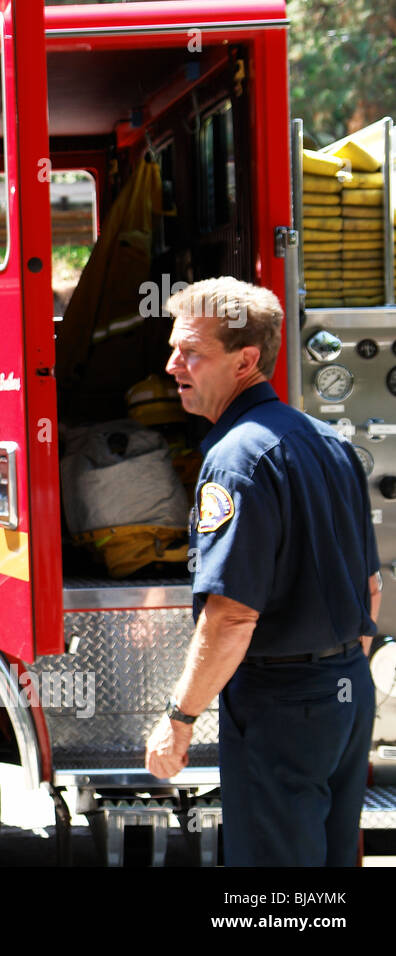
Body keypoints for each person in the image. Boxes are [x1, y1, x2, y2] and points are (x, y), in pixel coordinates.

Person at [144, 276, 380, 866]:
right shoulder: (329, 442)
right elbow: (371, 590)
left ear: (246, 360)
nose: (174, 365)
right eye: (175, 348)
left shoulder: (235, 461)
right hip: (347, 691)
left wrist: (180, 719)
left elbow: (231, 618)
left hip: (283, 703)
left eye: (192, 351)